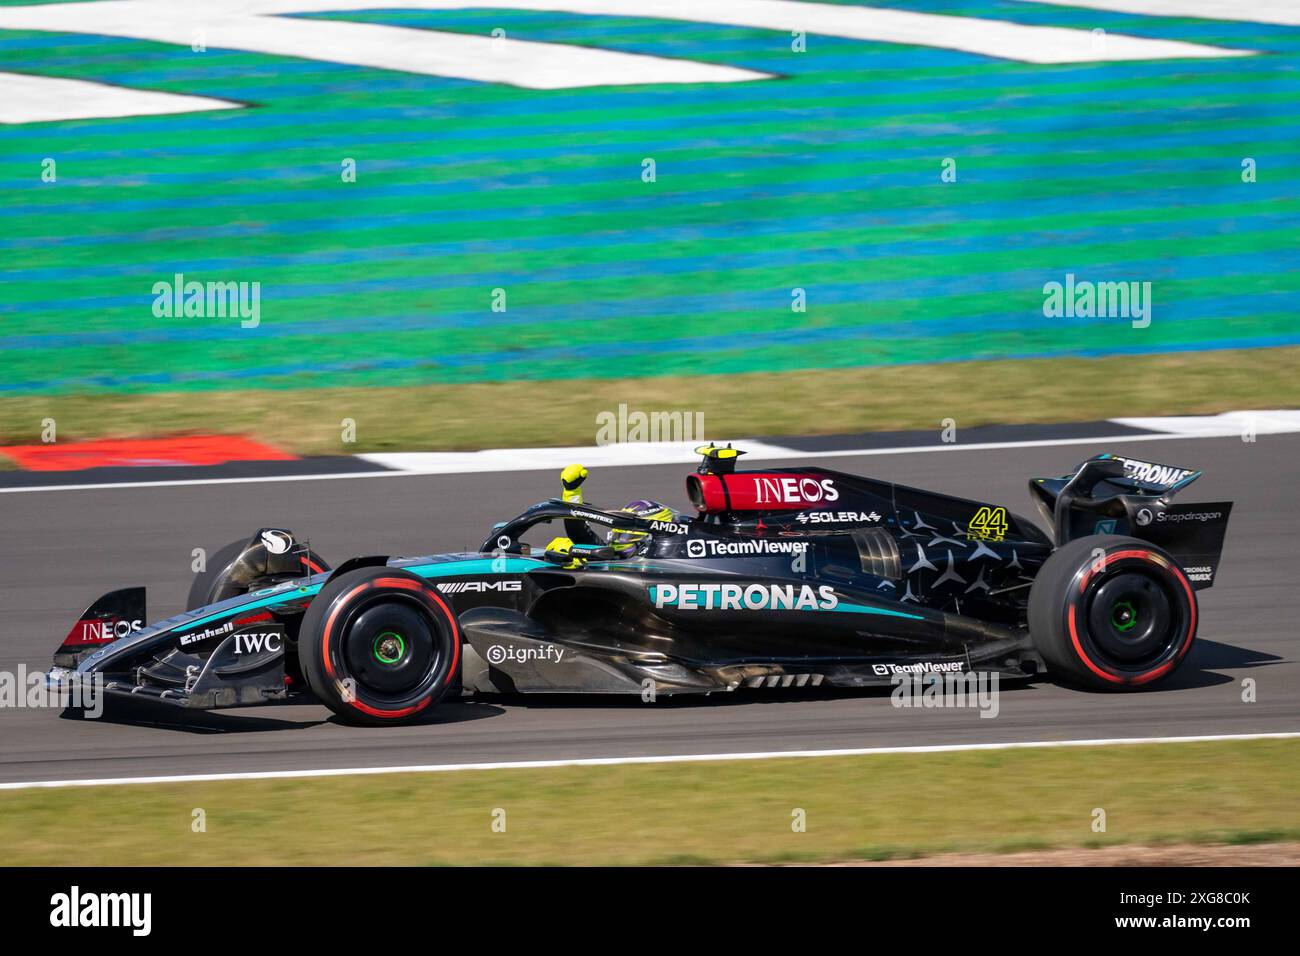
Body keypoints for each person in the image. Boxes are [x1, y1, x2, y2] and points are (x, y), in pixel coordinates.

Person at [558, 463, 674, 557]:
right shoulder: (611, 557)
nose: (619, 542)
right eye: (619, 535)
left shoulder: (669, 566)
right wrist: (572, 494)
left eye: (629, 536)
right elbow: (580, 535)